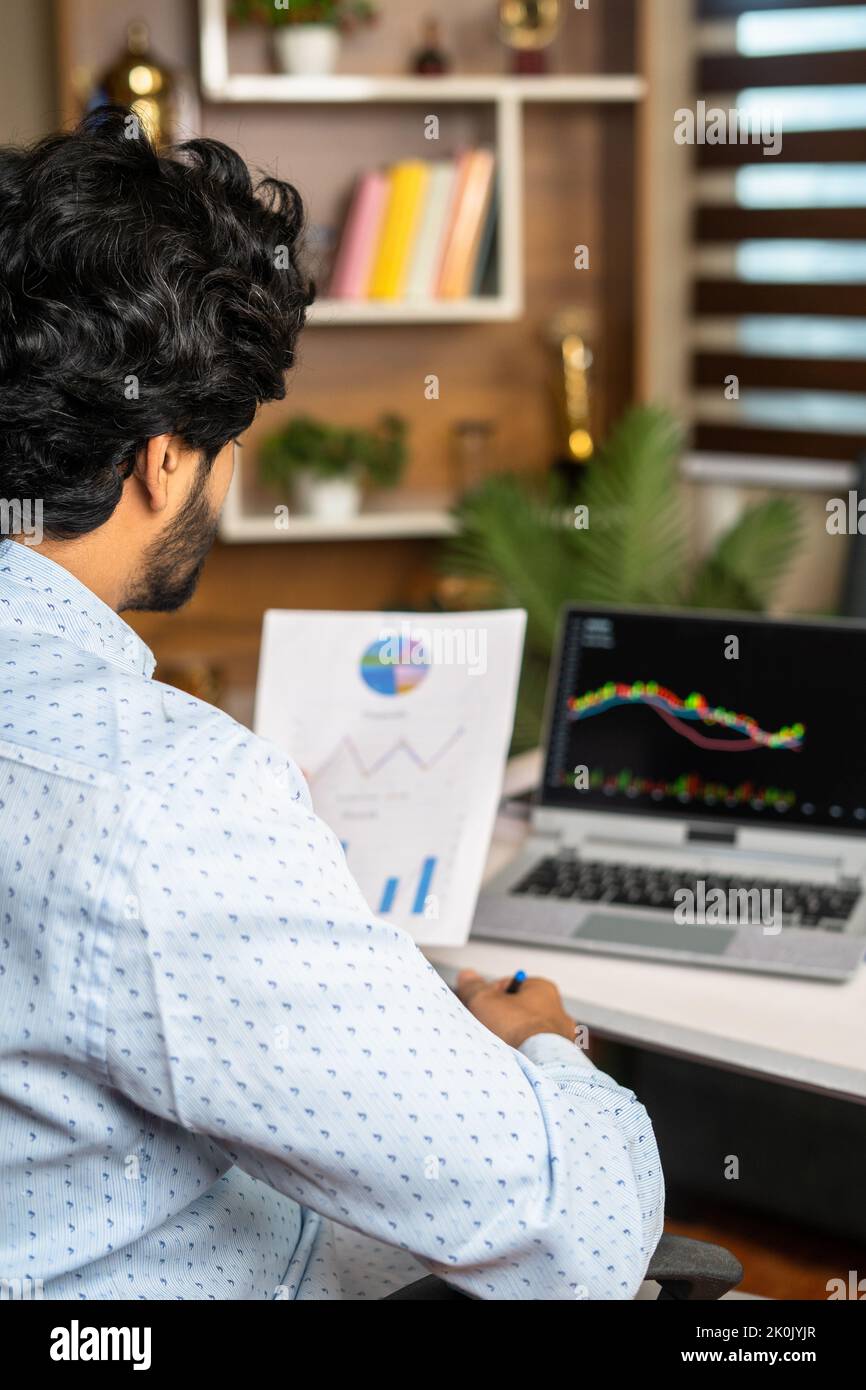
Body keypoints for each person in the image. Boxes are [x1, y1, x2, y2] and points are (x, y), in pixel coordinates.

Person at [0, 108, 663, 1300]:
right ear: (163, 459)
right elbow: (571, 1235)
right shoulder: (154, 794)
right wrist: (546, 1051)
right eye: (225, 442)